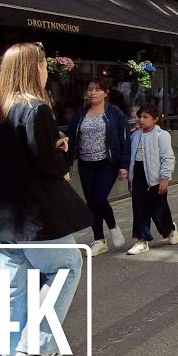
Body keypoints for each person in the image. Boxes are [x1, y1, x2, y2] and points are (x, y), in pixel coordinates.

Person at [0, 43, 88, 356]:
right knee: (67, 266)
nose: (45, 71)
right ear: (32, 69)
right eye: (42, 65)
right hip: (36, 216)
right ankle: (36, 344)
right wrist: (65, 151)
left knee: (15, 285)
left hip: (3, 218)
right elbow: (50, 166)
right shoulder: (35, 109)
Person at [66, 78, 130, 256]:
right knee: (91, 203)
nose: (93, 93)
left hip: (107, 162)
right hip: (86, 163)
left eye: (97, 90)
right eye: (90, 89)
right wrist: (67, 163)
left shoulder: (115, 114)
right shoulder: (80, 114)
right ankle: (99, 240)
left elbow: (125, 140)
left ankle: (113, 226)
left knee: (99, 198)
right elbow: (71, 139)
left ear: (105, 93)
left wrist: (124, 165)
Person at [124, 104, 178, 255]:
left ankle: (169, 228)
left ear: (155, 119)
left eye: (145, 117)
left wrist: (164, 177)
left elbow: (168, 157)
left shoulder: (162, 135)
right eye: (140, 117)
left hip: (155, 177)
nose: (142, 120)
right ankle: (141, 239)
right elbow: (132, 158)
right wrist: (130, 177)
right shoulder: (135, 135)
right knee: (139, 208)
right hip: (139, 175)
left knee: (158, 209)